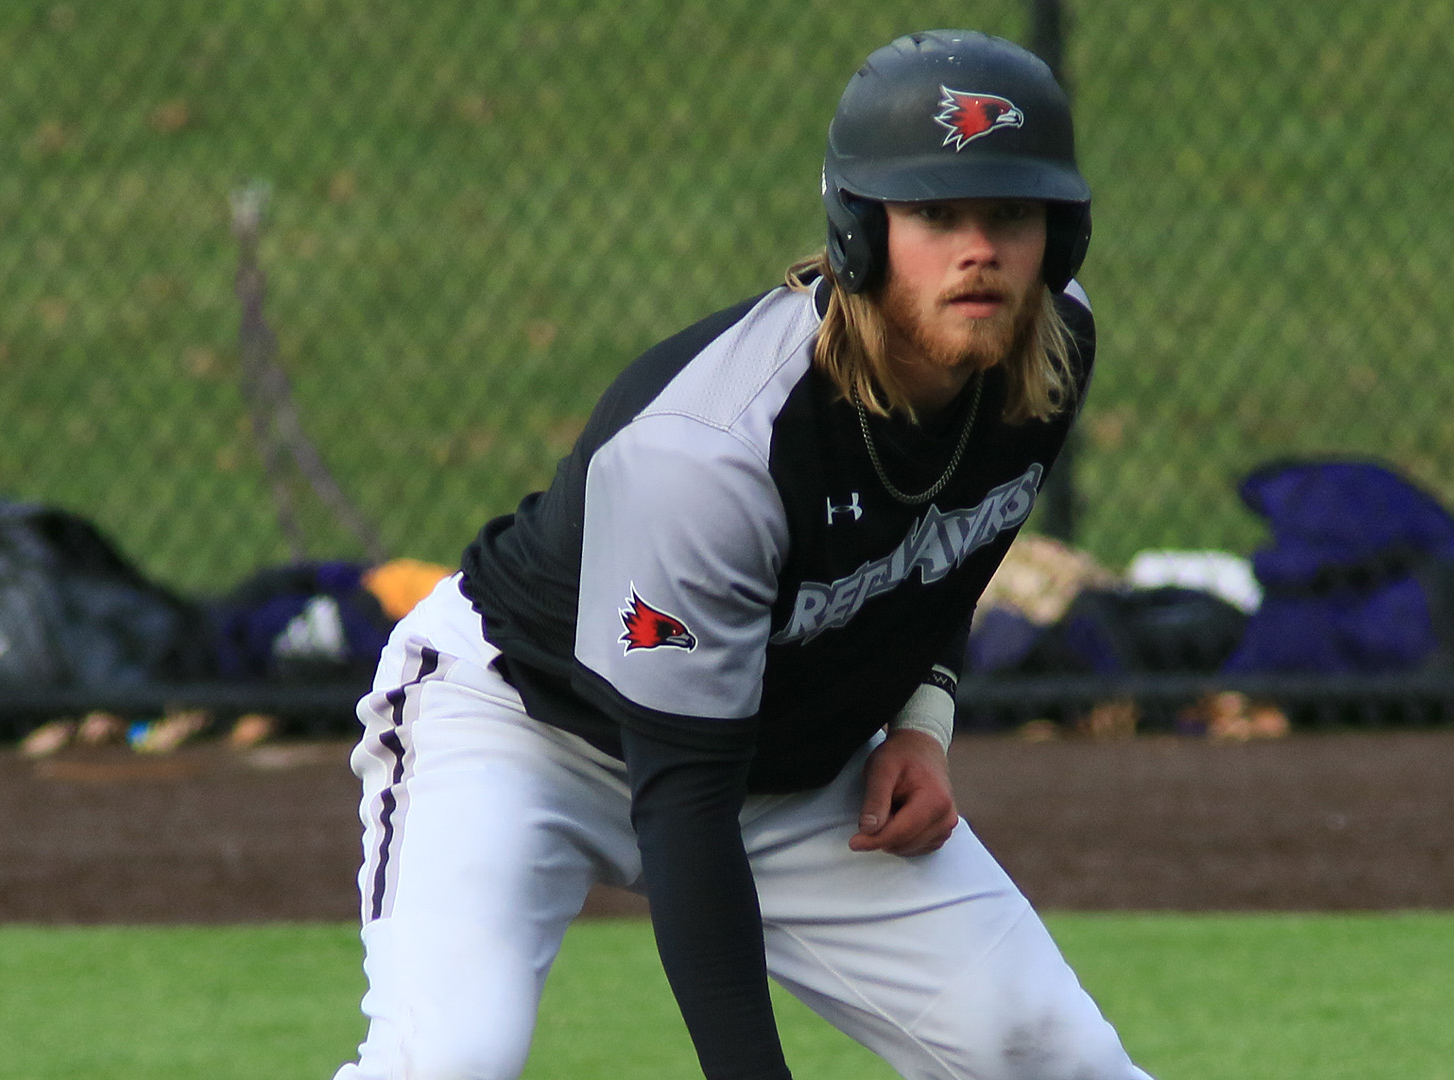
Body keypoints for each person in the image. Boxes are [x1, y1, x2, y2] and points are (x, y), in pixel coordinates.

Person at [333, 28, 1156, 1080]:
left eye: (1011, 214)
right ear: (858, 232)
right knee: (451, 1063)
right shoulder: (713, 453)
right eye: (936, 215)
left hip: (785, 767)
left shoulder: (1043, 347)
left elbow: (954, 536)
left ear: (1063, 236)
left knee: (1052, 1055)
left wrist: (923, 717)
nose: (980, 249)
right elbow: (683, 812)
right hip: (522, 730)